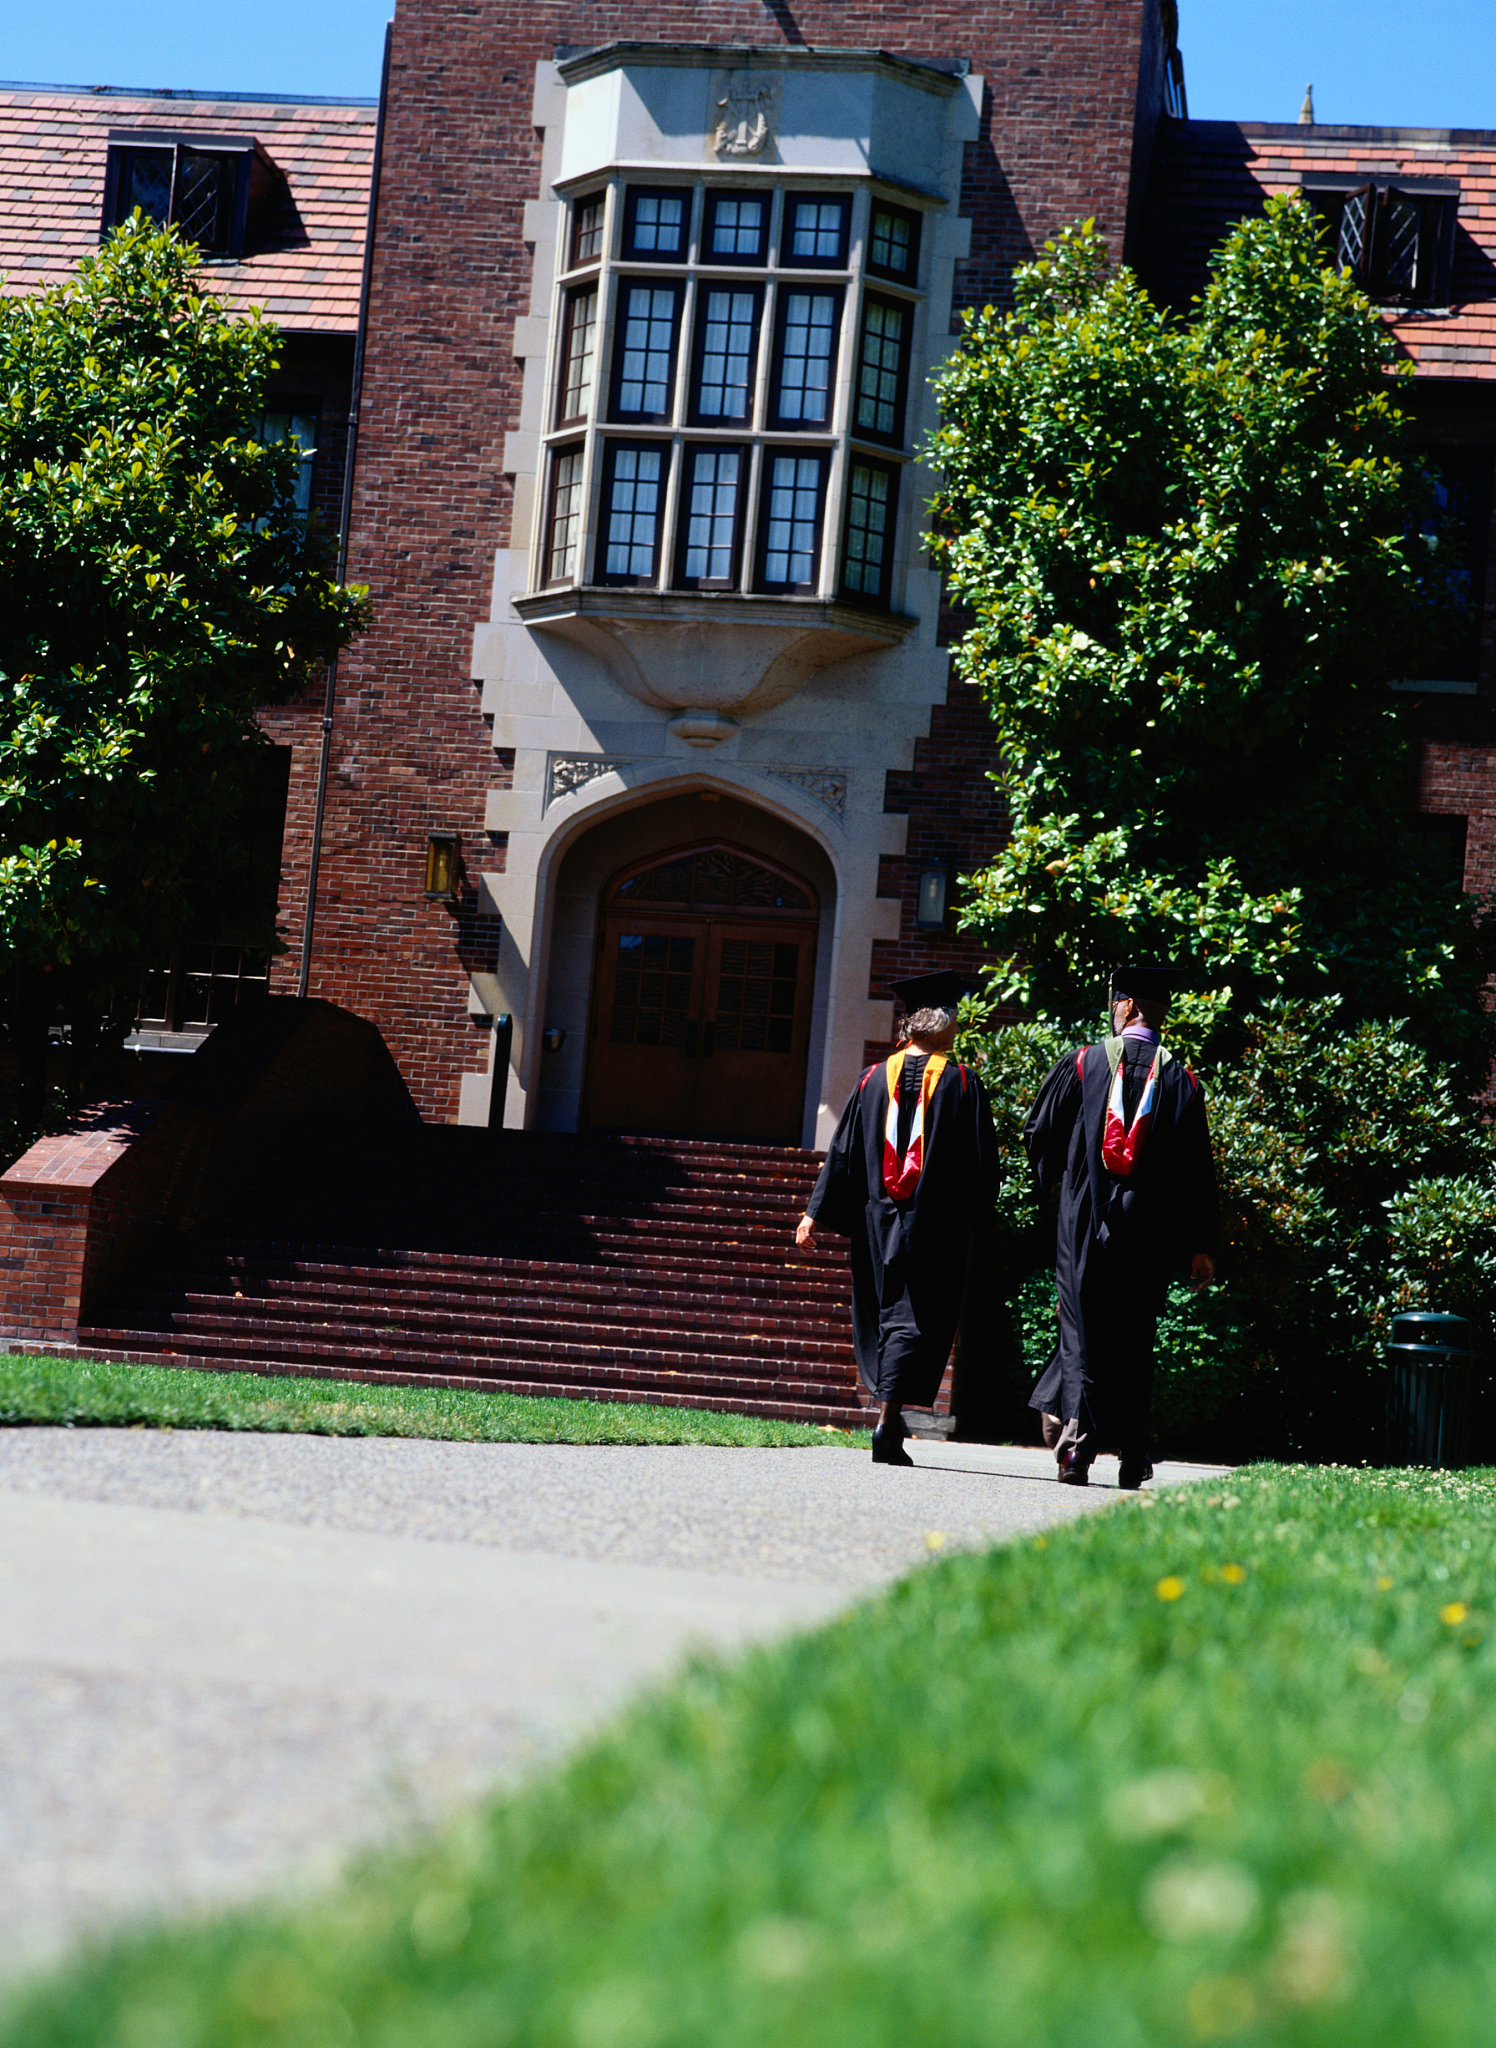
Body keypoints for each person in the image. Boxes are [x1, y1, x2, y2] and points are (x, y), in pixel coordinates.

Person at [1023, 965, 1218, 1488]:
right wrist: (1199, 1245)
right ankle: (1134, 1456)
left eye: (1115, 1004)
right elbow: (1197, 1173)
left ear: (1128, 1007)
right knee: (1134, 1337)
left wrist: (1059, 1186)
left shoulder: (1083, 1063)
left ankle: (1076, 1453)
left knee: (1081, 1335)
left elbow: (1039, 1133)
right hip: (1149, 1230)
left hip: (1083, 1223)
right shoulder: (1183, 1081)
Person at [795, 971, 1000, 1465]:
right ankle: (889, 1419)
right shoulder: (962, 1082)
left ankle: (889, 1414)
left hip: (876, 1221)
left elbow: (841, 1151)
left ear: (910, 1023)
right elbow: (981, 1165)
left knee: (886, 1312)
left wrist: (813, 1213)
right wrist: (979, 1220)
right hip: (935, 1227)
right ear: (944, 1023)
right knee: (914, 1316)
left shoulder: (871, 1079)